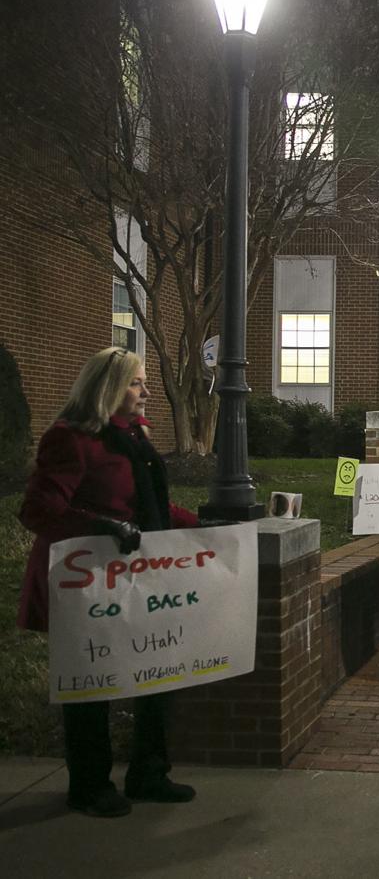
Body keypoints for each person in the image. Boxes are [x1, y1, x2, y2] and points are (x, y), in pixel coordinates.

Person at [17, 347, 199, 817]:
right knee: (91, 687)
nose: (146, 391)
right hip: (86, 584)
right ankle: (90, 784)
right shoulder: (72, 439)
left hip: (137, 577)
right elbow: (38, 510)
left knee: (156, 675)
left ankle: (149, 773)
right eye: (137, 382)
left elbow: (149, 508)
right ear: (110, 387)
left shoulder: (133, 437)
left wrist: (206, 524)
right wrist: (103, 528)